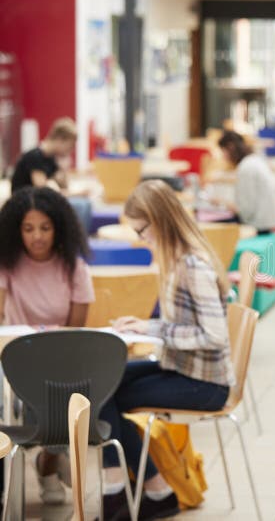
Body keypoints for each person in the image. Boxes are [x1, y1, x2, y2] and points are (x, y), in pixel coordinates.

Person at [101, 180, 233, 520]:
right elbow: (185, 326)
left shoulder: (193, 266)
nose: (141, 238)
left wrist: (157, 330)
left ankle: (122, 490)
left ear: (159, 222)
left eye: (142, 231)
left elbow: (214, 335)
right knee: (101, 383)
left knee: (103, 394)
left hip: (205, 383)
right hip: (182, 366)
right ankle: (149, 491)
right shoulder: (176, 260)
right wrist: (146, 326)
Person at [0, 186, 94, 505]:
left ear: (59, 228)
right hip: (16, 359)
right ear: (16, 230)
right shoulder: (7, 264)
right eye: (28, 229)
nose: (37, 237)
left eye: (45, 227)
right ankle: (48, 462)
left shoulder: (75, 269)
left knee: (66, 390)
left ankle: (48, 461)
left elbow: (75, 331)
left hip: (59, 359)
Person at [11, 117, 92, 233]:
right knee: (81, 206)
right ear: (60, 140)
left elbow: (63, 186)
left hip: (39, 200)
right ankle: (76, 240)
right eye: (70, 146)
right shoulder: (35, 157)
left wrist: (64, 169)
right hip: (25, 203)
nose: (70, 151)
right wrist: (78, 193)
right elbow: (44, 192)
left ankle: (78, 239)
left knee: (86, 204)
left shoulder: (51, 159)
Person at [216, 130, 275, 234]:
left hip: (258, 226)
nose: (223, 157)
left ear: (230, 148)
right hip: (266, 223)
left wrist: (223, 204)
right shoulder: (255, 160)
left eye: (223, 152)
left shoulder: (246, 168)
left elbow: (246, 211)